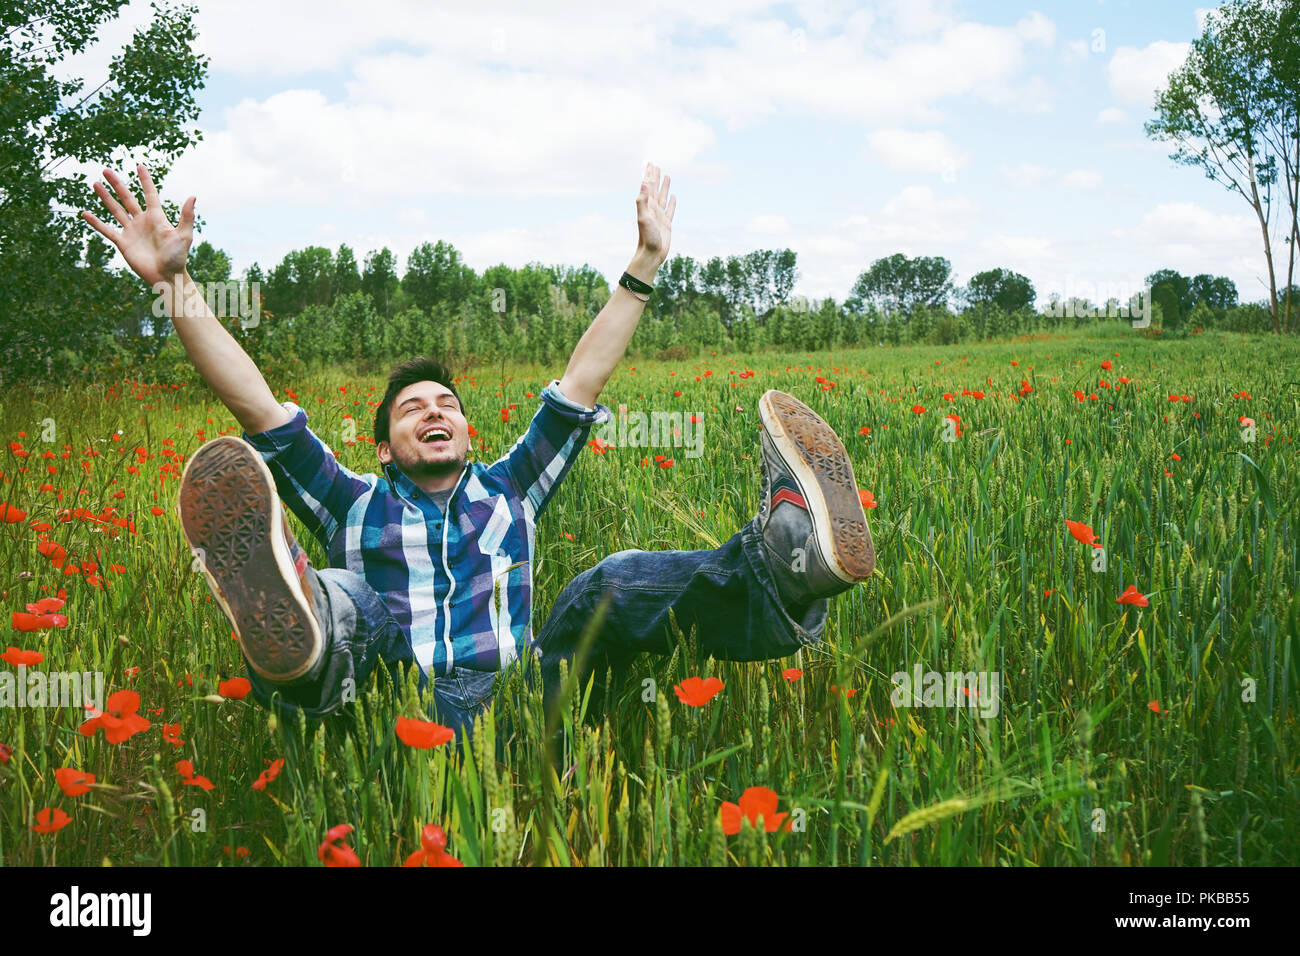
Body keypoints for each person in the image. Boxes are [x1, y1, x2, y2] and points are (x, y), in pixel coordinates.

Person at [82, 162, 875, 748]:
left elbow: (581, 380)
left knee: (616, 580)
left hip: (528, 695)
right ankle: (302, 625)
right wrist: (177, 285)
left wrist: (645, 263)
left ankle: (788, 564)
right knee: (349, 596)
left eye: (448, 405)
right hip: (402, 699)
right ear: (383, 444)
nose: (434, 411)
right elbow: (256, 404)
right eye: (411, 408)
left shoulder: (511, 491)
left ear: (468, 436)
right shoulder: (352, 501)